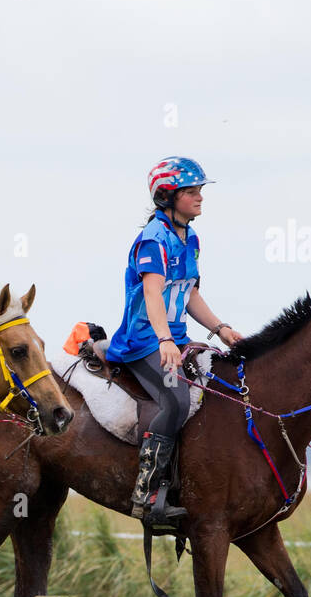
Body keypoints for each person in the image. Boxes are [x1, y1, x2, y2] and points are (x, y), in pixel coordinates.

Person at [104, 157, 244, 529]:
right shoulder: (154, 239)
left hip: (175, 338)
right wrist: (164, 338)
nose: (200, 197)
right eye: (191, 191)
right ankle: (146, 495)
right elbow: (153, 294)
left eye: (200, 190)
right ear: (168, 196)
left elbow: (189, 294)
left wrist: (221, 328)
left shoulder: (190, 238)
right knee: (176, 399)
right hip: (143, 340)